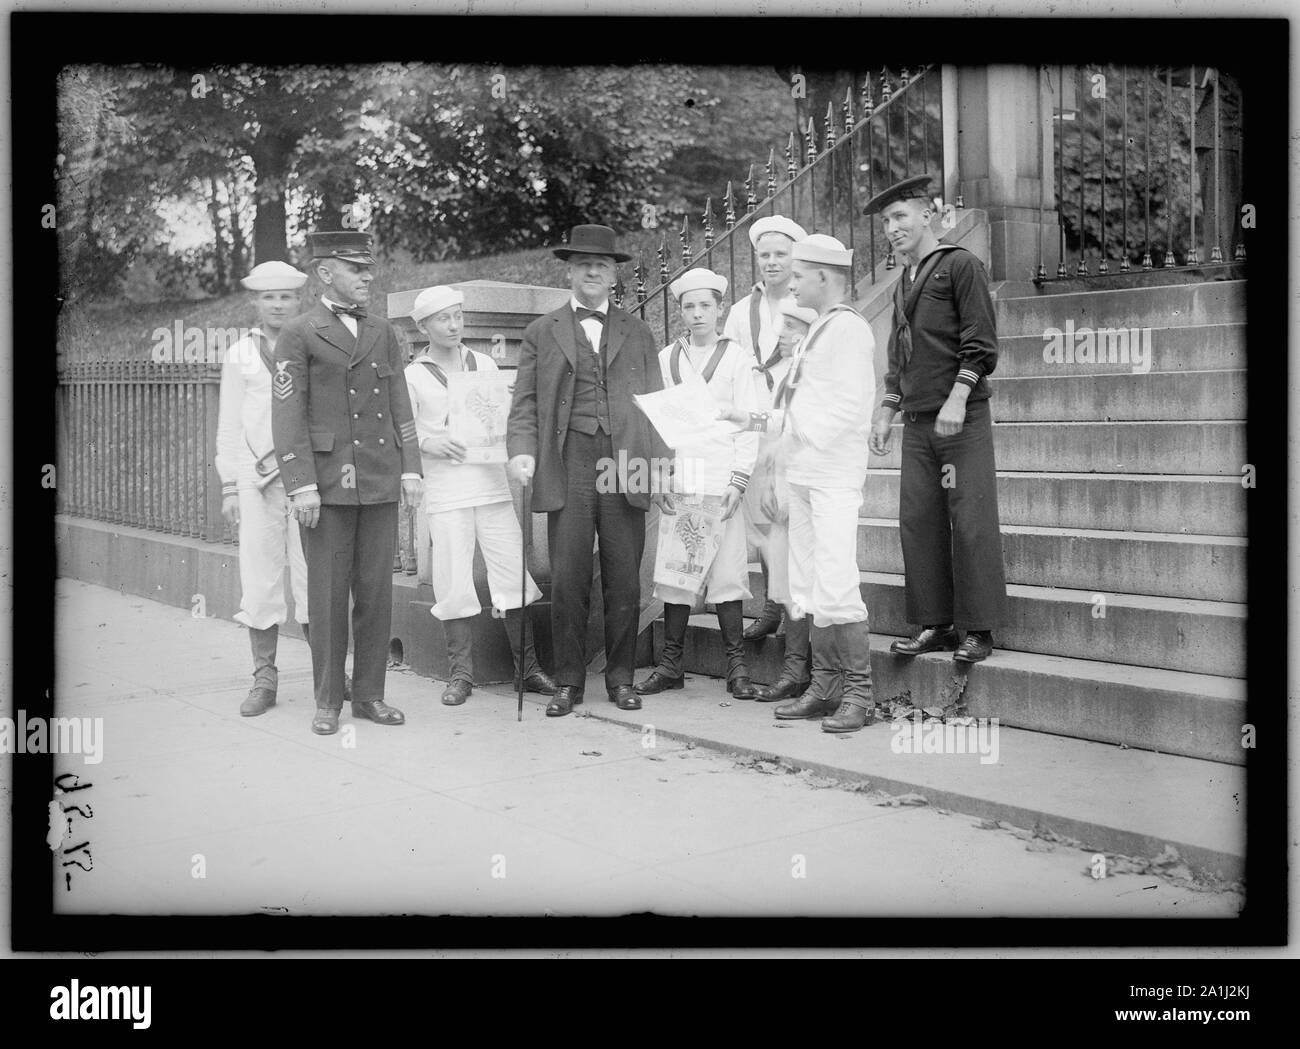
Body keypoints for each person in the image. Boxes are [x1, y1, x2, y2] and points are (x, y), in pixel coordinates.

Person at [506, 223, 673, 718]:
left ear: (614, 273)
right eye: (583, 264)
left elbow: (658, 404)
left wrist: (661, 466)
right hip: (570, 460)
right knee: (570, 575)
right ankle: (568, 681)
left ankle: (621, 678)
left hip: (628, 461)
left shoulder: (638, 330)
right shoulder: (541, 332)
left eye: (601, 264)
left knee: (625, 577)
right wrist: (521, 449)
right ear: (571, 271)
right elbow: (525, 403)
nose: (593, 271)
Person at [720, 234, 878, 733]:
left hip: (832, 477)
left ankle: (859, 692)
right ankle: (825, 685)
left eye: (800, 275)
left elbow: (851, 409)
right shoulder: (818, 331)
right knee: (809, 585)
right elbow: (791, 409)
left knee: (837, 581)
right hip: (806, 478)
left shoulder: (848, 329)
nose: (791, 282)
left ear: (825, 278)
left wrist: (797, 435)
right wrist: (745, 418)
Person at [272, 230, 423, 735]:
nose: (367, 276)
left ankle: (370, 696)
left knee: (377, 594)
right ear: (324, 273)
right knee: (329, 596)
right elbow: (287, 413)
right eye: (355, 268)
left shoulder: (382, 330)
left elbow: (400, 403)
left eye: (368, 268)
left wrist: (411, 466)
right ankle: (328, 701)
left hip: (379, 482)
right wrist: (301, 484)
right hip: (327, 487)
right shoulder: (299, 332)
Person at [865, 175, 1007, 663]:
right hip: (918, 422)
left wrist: (956, 398)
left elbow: (982, 343)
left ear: (929, 215)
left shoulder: (961, 265)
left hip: (961, 420)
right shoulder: (903, 279)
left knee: (970, 520)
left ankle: (979, 630)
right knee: (918, 520)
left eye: (900, 216)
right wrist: (887, 407)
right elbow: (898, 354)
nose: (892, 228)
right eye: (886, 221)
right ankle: (935, 623)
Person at [404, 285, 558, 706]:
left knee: (511, 569)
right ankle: (461, 673)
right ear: (423, 326)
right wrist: (425, 443)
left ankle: (526, 668)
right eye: (442, 319)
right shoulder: (414, 375)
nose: (453, 325)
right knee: (453, 575)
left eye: (457, 315)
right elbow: (402, 429)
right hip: (447, 487)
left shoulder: (483, 363)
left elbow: (499, 417)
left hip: (490, 483)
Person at [634, 267, 759, 700]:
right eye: (689, 306)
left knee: (726, 572)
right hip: (685, 475)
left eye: (706, 305)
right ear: (680, 311)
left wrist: (739, 480)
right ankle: (671, 665)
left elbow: (749, 424)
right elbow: (658, 421)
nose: (697, 313)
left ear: (720, 308)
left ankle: (737, 668)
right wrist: (662, 473)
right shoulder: (669, 357)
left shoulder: (738, 358)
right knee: (676, 572)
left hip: (722, 477)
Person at [214, 261, 311, 717]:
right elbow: (230, 424)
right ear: (255, 302)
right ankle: (265, 678)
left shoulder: (312, 344)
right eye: (268, 297)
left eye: (286, 296)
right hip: (257, 479)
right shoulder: (241, 354)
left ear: (299, 300)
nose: (277, 304)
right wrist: (230, 486)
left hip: (307, 478)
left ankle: (330, 674)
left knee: (315, 575)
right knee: (260, 576)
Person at [722, 214, 808, 642]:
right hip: (756, 421)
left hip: (793, 422)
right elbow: (733, 367)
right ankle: (773, 603)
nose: (772, 262)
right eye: (765, 254)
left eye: (781, 254)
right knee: (761, 516)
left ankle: (795, 609)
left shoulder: (805, 305)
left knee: (789, 516)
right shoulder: (741, 311)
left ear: (796, 258)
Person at [747, 301, 819, 703]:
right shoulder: (787, 376)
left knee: (806, 579)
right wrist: (737, 417)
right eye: (784, 327)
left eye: (796, 327)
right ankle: (794, 669)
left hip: (807, 487)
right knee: (790, 581)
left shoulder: (816, 374)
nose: (787, 334)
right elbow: (774, 424)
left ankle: (811, 670)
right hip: (783, 484)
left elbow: (803, 432)